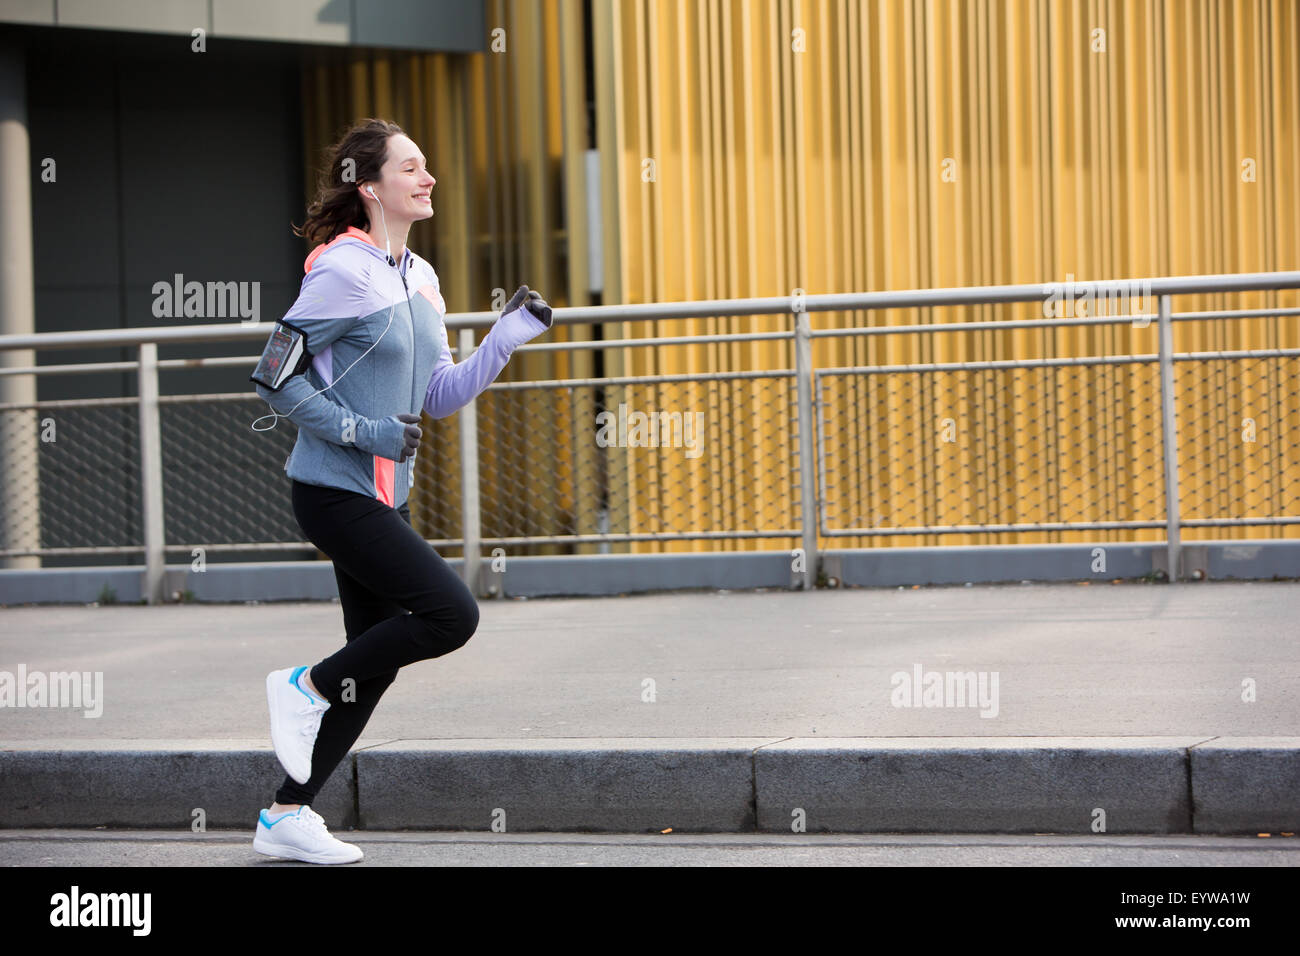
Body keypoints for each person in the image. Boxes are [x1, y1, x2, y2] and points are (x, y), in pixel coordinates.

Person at [248, 117, 552, 864]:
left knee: (373, 666)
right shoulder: (339, 270)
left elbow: (438, 396)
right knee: (451, 613)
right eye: (411, 168)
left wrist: (503, 339)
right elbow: (272, 378)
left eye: (426, 167)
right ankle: (302, 685)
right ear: (369, 184)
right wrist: (362, 433)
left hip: (388, 496)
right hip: (333, 492)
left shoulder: (420, 276)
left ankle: (286, 813)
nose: (429, 178)